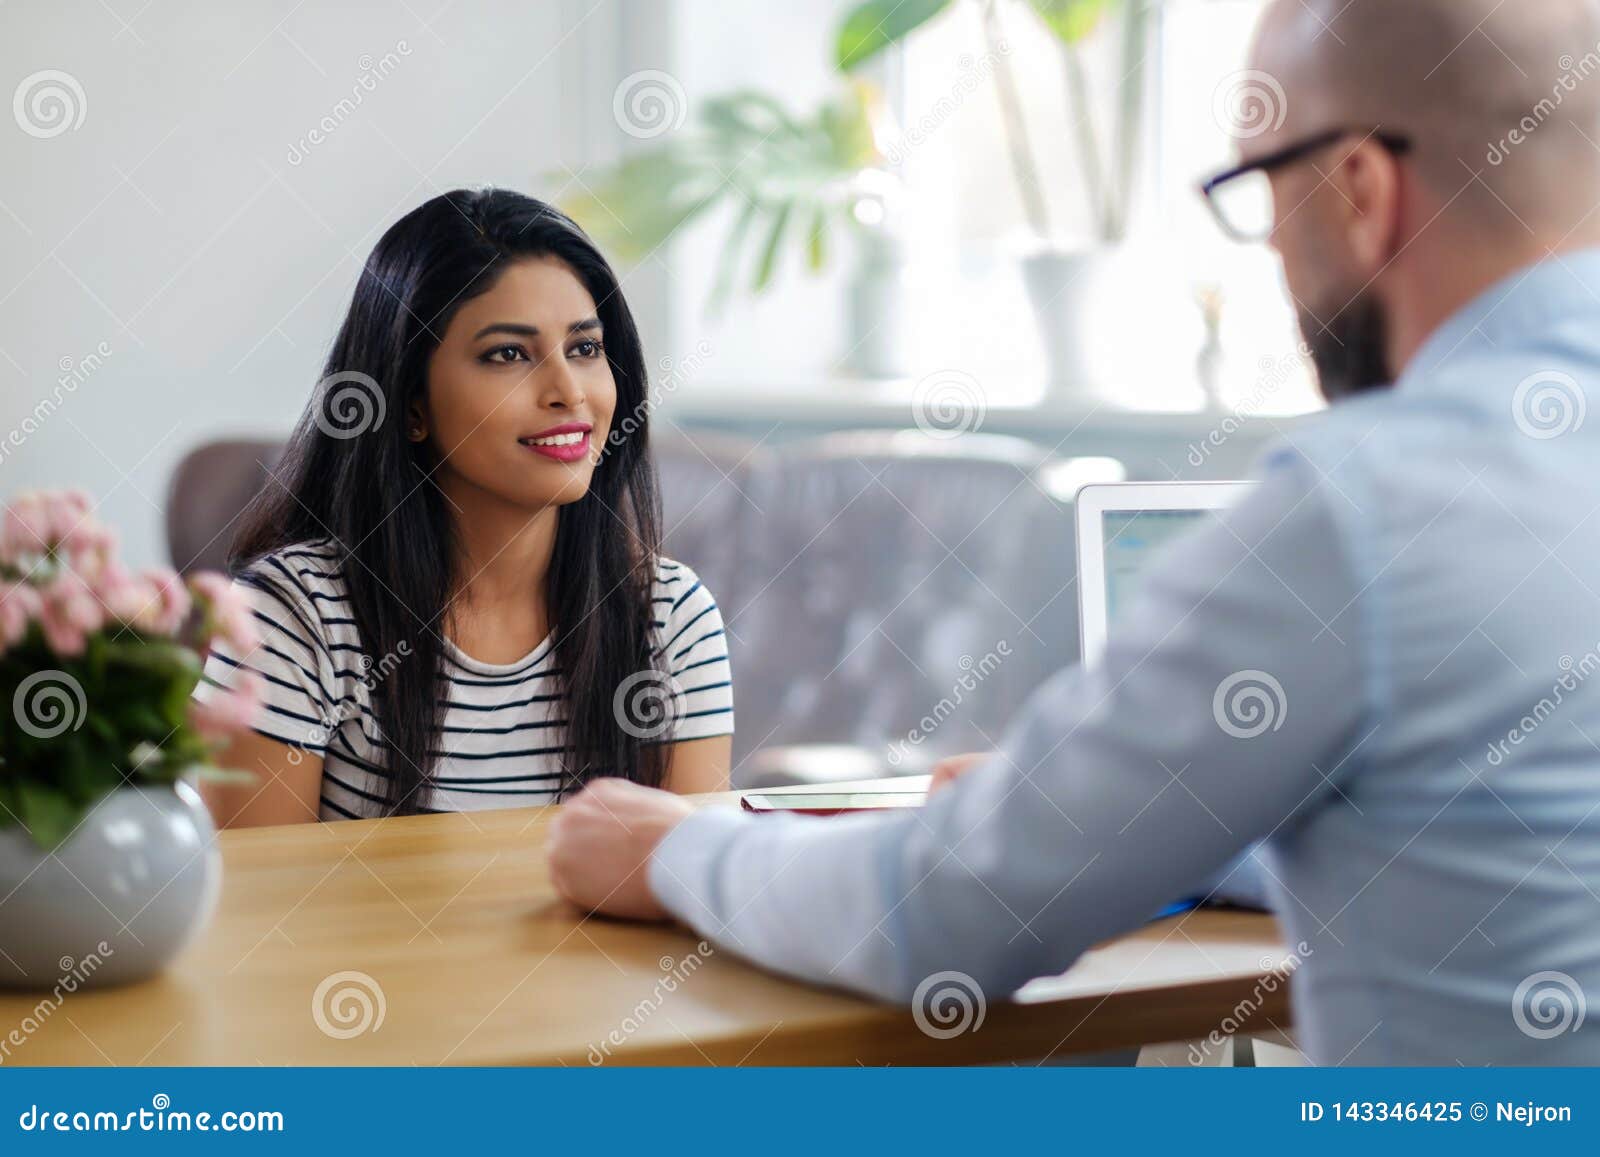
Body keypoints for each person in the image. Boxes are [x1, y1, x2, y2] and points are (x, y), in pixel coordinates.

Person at [548, 0, 1600, 1065]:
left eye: (1262, 193)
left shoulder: (1365, 502)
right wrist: (1146, 822)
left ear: (1363, 192)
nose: (1274, 251)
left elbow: (941, 918)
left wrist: (684, 851)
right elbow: (1474, 836)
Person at [194, 189, 733, 826]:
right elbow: (259, 916)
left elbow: (690, 892)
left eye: (585, 349)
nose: (568, 391)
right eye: (508, 354)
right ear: (411, 403)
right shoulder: (292, 619)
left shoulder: (670, 618)